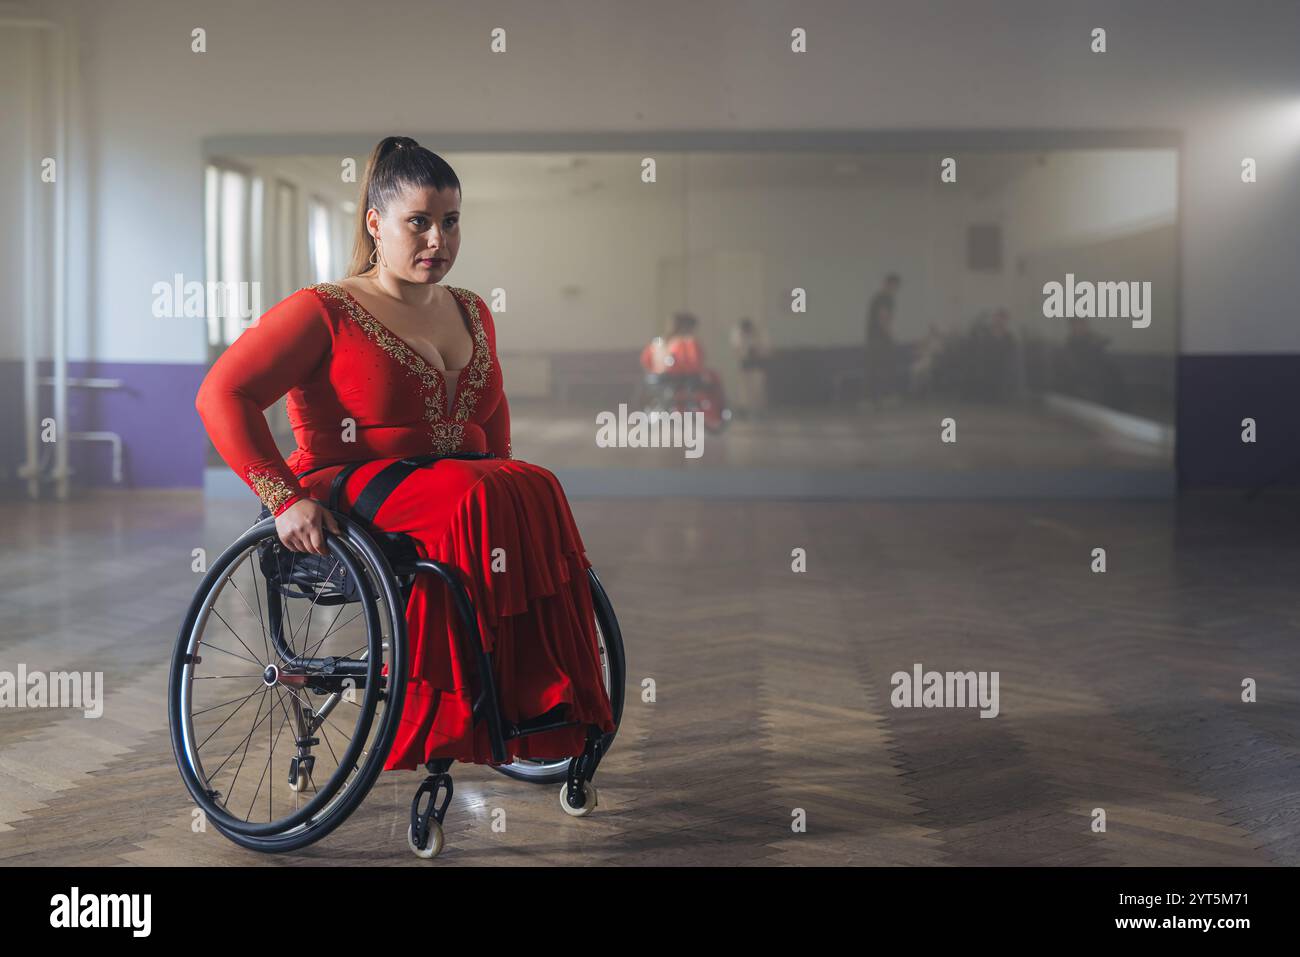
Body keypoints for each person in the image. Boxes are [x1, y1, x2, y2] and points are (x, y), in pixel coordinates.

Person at [194, 136, 615, 771]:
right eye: (418, 222)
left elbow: (491, 414)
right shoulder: (324, 309)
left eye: (450, 223)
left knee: (534, 483)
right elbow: (221, 393)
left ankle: (534, 704)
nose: (437, 241)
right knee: (482, 495)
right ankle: (442, 718)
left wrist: (502, 472)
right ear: (375, 223)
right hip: (346, 482)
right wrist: (285, 498)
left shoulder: (471, 311)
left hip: (449, 483)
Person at [864, 272, 901, 407]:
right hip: (879, 339)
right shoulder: (885, 298)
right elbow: (883, 317)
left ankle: (872, 399)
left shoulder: (878, 297)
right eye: (895, 286)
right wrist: (891, 336)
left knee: (875, 368)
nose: (896, 290)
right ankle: (881, 398)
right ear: (889, 285)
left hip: (873, 337)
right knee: (882, 368)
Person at [729, 316, 771, 419]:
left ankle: (759, 410)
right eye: (745, 330)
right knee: (744, 389)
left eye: (749, 330)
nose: (747, 332)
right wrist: (744, 350)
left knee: (758, 388)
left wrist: (758, 348)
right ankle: (744, 409)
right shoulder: (738, 334)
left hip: (758, 364)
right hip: (746, 364)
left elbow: (767, 349)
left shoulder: (760, 334)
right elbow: (737, 349)